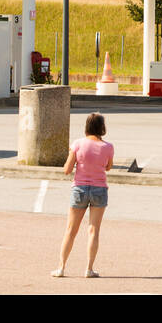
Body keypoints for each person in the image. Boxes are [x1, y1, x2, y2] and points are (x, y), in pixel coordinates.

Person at [53, 112, 115, 278]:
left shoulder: (78, 144)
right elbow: (108, 167)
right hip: (99, 189)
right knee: (94, 230)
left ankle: (61, 267)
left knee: (71, 230)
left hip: (79, 189)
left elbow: (67, 169)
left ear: (86, 127)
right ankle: (89, 268)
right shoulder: (108, 147)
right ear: (102, 128)